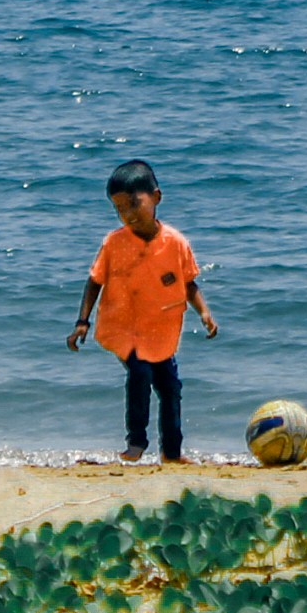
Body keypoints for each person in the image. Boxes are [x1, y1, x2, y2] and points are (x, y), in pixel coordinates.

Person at [64, 157, 220, 462]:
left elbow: (188, 283)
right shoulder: (114, 243)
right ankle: (136, 443)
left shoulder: (176, 243)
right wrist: (82, 321)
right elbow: (94, 281)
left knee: (171, 389)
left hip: (160, 332)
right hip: (125, 330)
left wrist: (204, 313)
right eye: (119, 209)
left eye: (134, 205)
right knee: (139, 375)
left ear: (156, 197)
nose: (127, 215)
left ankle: (172, 453)